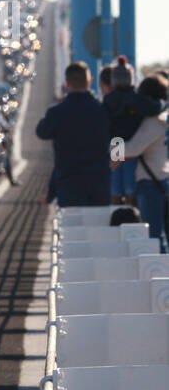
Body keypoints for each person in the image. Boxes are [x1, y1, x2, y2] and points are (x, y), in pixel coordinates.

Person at [36, 62, 111, 207]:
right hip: (99, 182)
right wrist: (116, 158)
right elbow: (118, 136)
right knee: (98, 226)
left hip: (69, 183)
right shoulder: (103, 111)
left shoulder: (57, 112)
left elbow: (41, 132)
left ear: (67, 83)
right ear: (90, 82)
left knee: (72, 227)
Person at [117, 75, 169, 249]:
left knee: (154, 236)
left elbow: (133, 148)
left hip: (151, 183)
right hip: (162, 178)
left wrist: (111, 149)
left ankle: (162, 273)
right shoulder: (165, 117)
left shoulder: (155, 121)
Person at [103, 55, 162, 206]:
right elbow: (154, 107)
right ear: (131, 79)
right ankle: (129, 209)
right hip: (132, 143)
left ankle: (116, 209)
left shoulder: (109, 99)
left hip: (115, 143)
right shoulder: (136, 98)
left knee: (115, 183)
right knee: (130, 184)